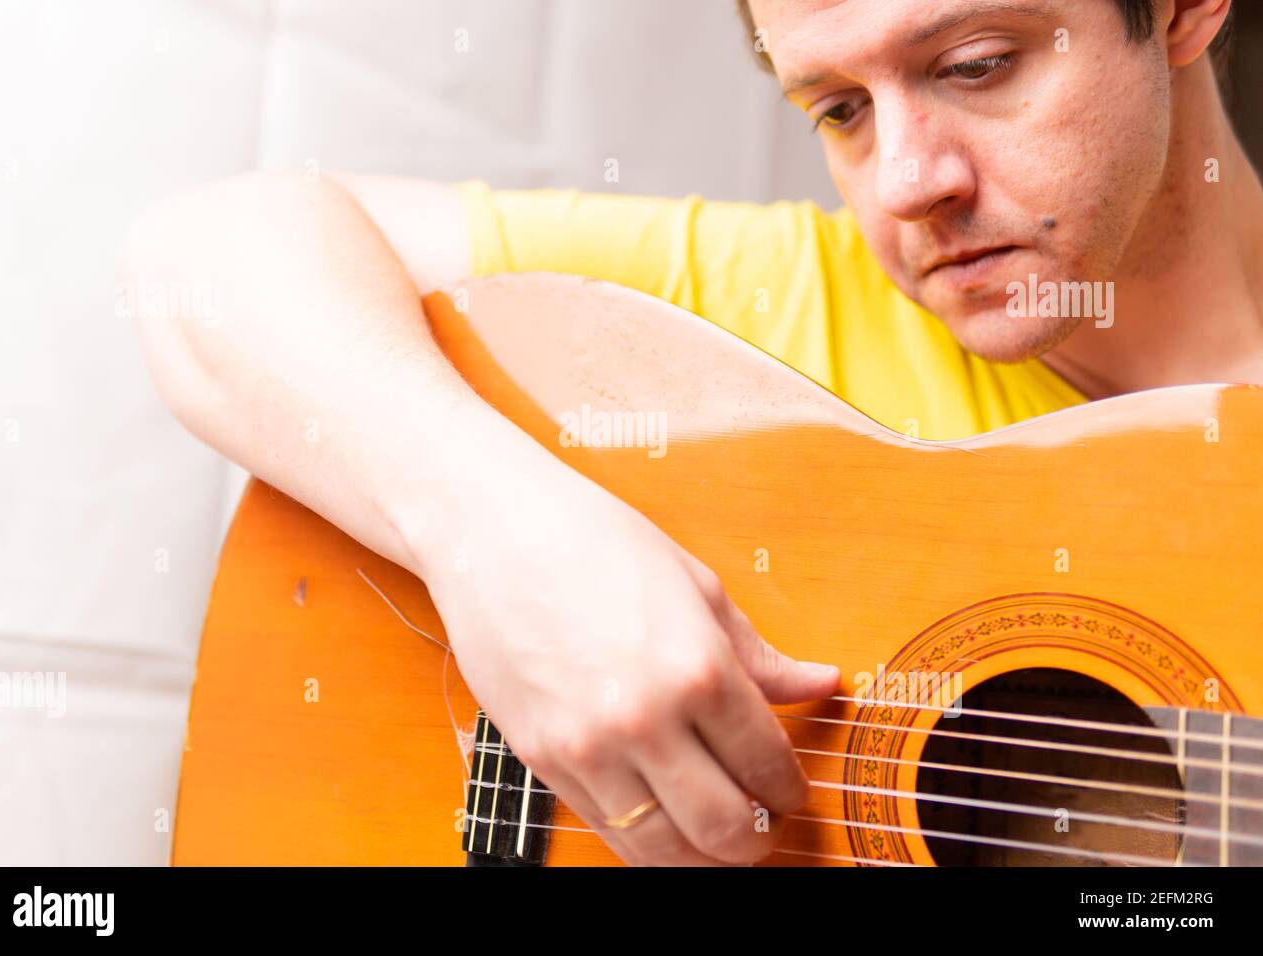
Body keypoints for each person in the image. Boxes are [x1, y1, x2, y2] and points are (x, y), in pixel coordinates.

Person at [118, 0, 1259, 866]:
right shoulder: (772, 306)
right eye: (839, 110)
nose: (907, 182)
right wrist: (504, 547)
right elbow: (203, 259)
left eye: (975, 65)